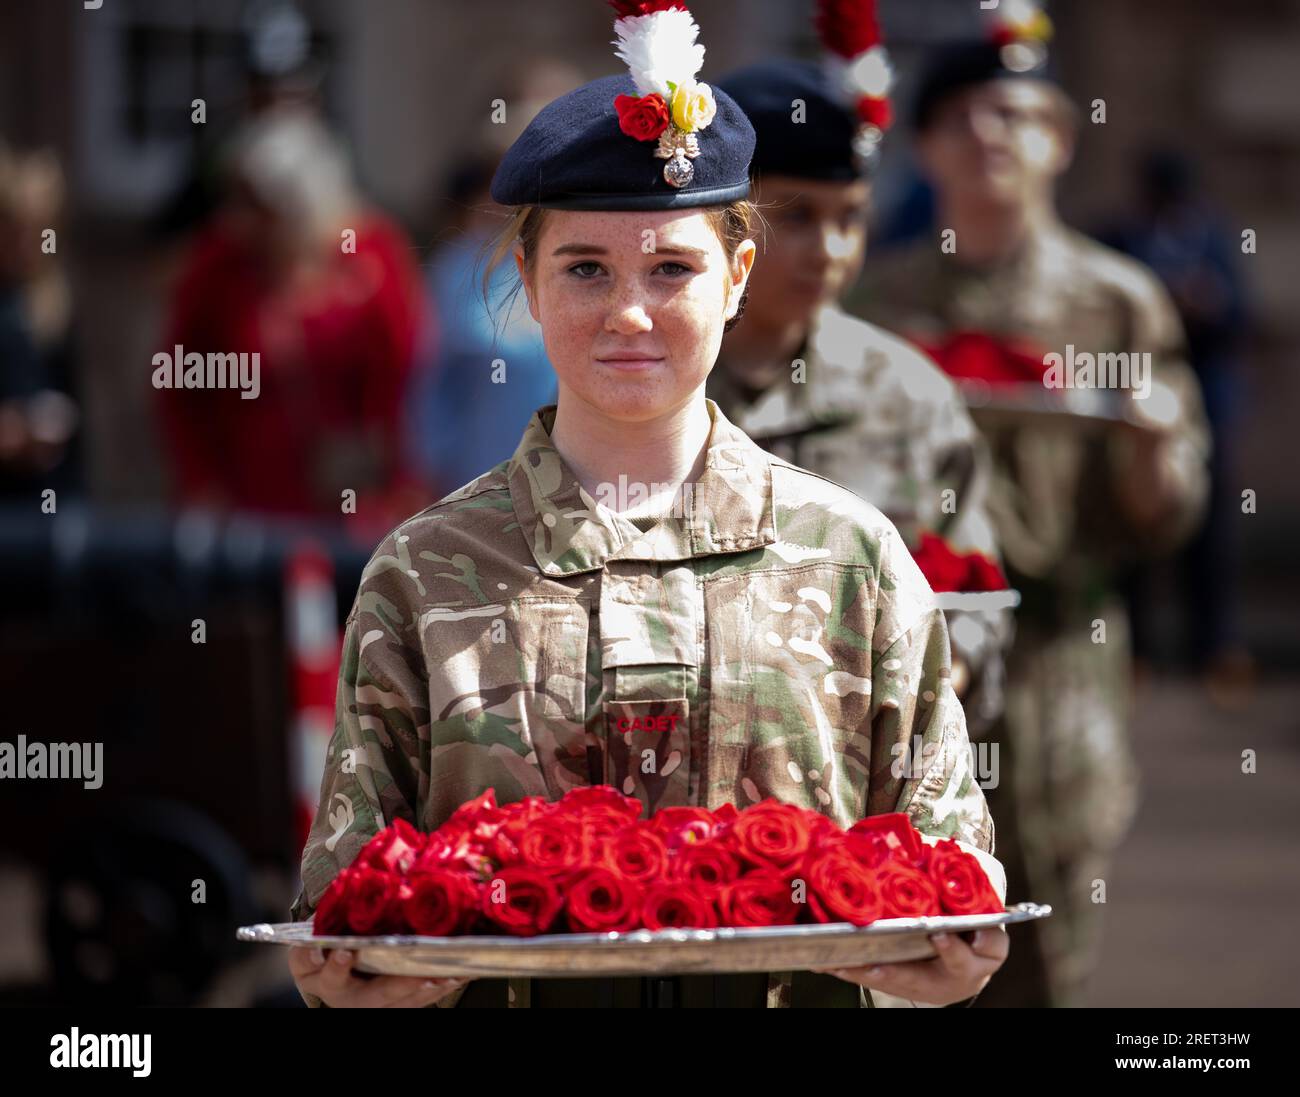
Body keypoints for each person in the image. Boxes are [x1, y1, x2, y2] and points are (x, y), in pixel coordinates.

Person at [290, 0, 1006, 1010]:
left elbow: (948, 863)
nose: (629, 310)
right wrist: (358, 978)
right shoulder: (423, 572)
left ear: (737, 277)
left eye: (673, 267)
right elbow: (348, 885)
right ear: (527, 285)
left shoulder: (854, 561)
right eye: (585, 268)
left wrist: (948, 955)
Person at [846, 7, 1211, 1006]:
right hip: (912, 652)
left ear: (1058, 136)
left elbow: (1167, 511)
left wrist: (1146, 447)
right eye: (959, 116)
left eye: (1014, 113)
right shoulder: (876, 303)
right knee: (899, 922)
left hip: (1058, 643)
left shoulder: (1115, 303)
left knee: (1045, 906)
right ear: (921, 144)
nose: (988, 136)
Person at [710, 2, 1010, 742]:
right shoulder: (650, 377)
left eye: (850, 218)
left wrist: (934, 683)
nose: (831, 250)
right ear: (724, 217)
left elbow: (974, 596)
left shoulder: (905, 394)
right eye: (799, 216)